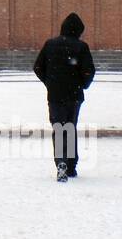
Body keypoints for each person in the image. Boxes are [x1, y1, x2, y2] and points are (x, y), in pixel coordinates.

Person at [33, 13, 96, 183]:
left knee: (59, 129)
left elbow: (38, 67)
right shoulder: (81, 47)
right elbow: (89, 70)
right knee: (70, 128)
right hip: (74, 95)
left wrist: (50, 82)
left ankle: (61, 162)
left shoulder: (50, 44)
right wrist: (82, 84)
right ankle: (71, 165)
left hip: (55, 95)